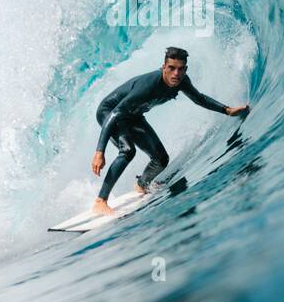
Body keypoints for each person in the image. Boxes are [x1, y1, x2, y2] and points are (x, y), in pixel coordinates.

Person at [90, 46, 249, 214]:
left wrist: (227, 110)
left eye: (180, 69)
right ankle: (100, 201)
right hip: (110, 112)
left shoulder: (182, 82)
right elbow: (115, 113)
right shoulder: (147, 86)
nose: (176, 74)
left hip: (133, 116)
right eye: (171, 68)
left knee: (161, 159)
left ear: (185, 69)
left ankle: (141, 185)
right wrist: (100, 151)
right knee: (128, 151)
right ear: (163, 67)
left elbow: (199, 98)